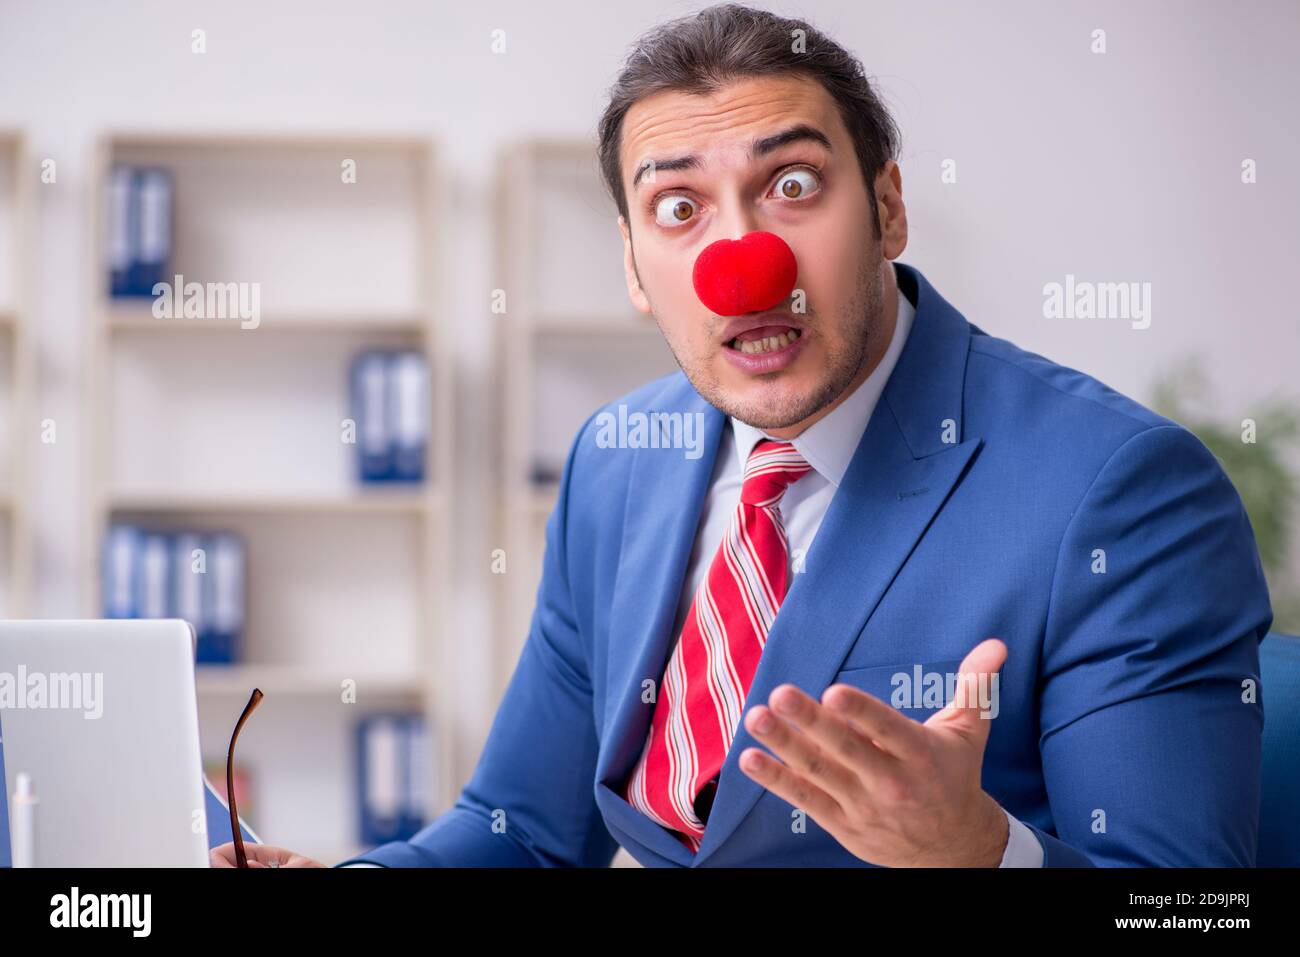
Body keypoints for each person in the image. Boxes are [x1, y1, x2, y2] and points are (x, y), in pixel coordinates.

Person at [212, 2, 1271, 869]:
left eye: (793, 186)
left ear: (888, 208)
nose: (743, 260)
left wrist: (979, 853)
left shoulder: (1117, 489)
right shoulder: (615, 461)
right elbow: (523, 834)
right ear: (632, 267)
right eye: (678, 209)